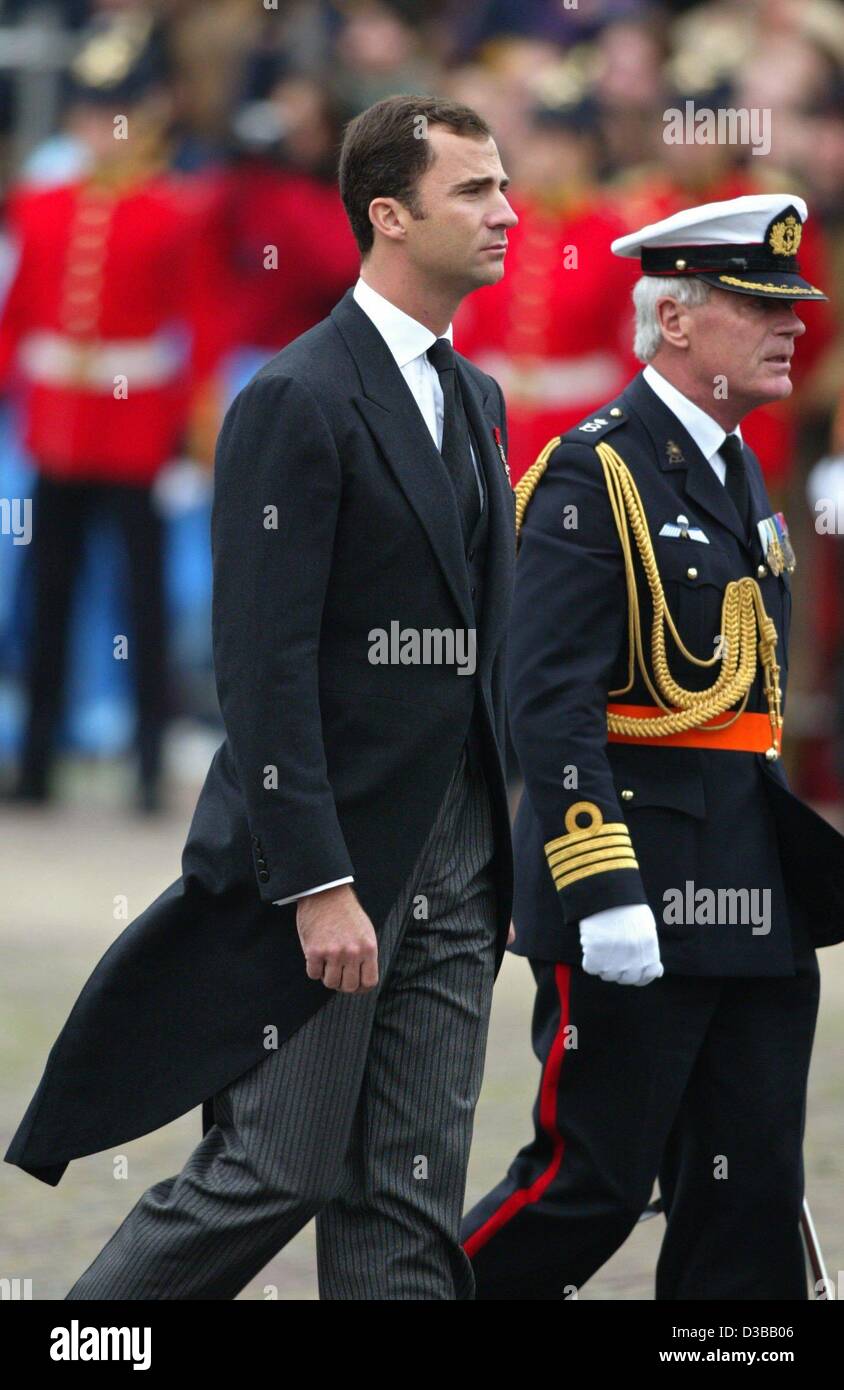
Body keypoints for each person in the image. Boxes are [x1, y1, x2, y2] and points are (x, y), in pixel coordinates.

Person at [5, 94, 519, 1301]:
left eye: (502, 186)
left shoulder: (477, 399)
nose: (507, 213)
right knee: (268, 1172)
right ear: (388, 216)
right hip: (331, 866)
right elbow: (262, 665)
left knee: (407, 1199)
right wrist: (320, 883)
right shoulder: (299, 396)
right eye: (474, 191)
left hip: (454, 862)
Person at [461, 193, 844, 1300]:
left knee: (751, 1188)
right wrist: (604, 887)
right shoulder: (595, 470)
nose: (792, 328)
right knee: (589, 1182)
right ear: (674, 321)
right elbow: (548, 701)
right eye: (758, 305)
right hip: (635, 874)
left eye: (793, 306)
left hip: (748, 878)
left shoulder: (732, 464)